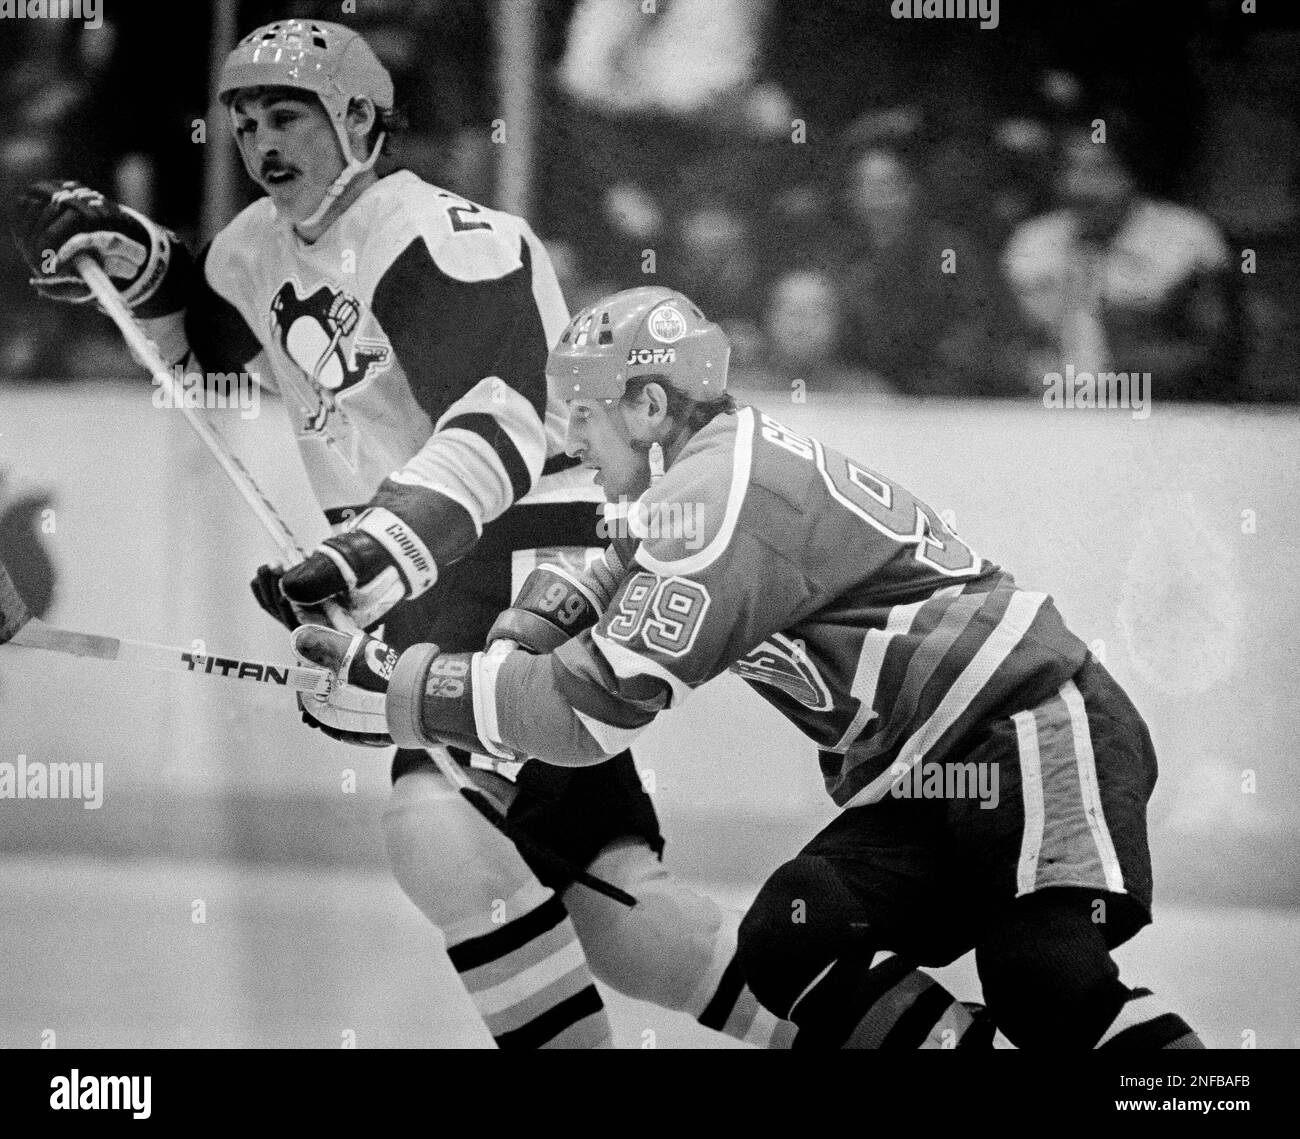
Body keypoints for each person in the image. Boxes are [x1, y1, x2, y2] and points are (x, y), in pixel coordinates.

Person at [13, 18, 788, 1050]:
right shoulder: (255, 244)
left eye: (288, 116)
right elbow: (208, 329)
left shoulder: (438, 234)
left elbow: (504, 419)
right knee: (612, 898)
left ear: (359, 118)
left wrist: (365, 555)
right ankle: (863, 1031)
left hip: (528, 564)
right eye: (245, 122)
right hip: (438, 572)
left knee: (438, 826)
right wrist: (129, 257)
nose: (261, 143)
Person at [296, 285, 1208, 1050]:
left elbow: (588, 709)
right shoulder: (690, 484)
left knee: (1044, 978)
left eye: (582, 409)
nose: (569, 439)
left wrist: (399, 687)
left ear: (650, 408)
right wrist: (470, 678)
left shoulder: (714, 496)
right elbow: (579, 595)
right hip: (921, 774)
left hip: (1029, 730)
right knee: (791, 935)